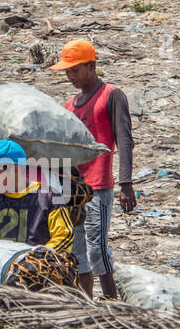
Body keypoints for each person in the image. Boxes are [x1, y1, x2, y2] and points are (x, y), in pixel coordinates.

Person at [52, 40, 135, 299]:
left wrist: (126, 183)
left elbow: (124, 139)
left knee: (97, 248)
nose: (70, 76)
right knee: (75, 249)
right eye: (67, 71)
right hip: (69, 186)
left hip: (98, 185)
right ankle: (86, 303)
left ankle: (111, 300)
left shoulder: (112, 95)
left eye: (75, 70)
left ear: (92, 66)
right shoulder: (69, 104)